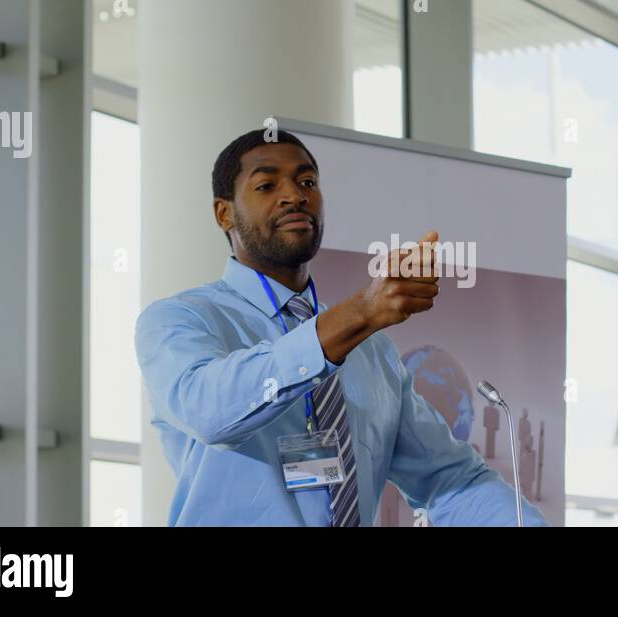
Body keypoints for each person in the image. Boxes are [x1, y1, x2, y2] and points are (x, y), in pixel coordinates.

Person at [134, 128, 548, 527]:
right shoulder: (179, 320)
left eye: (307, 182)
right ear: (224, 213)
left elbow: (452, 480)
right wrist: (360, 315)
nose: (295, 196)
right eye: (266, 186)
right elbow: (209, 412)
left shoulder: (374, 352)